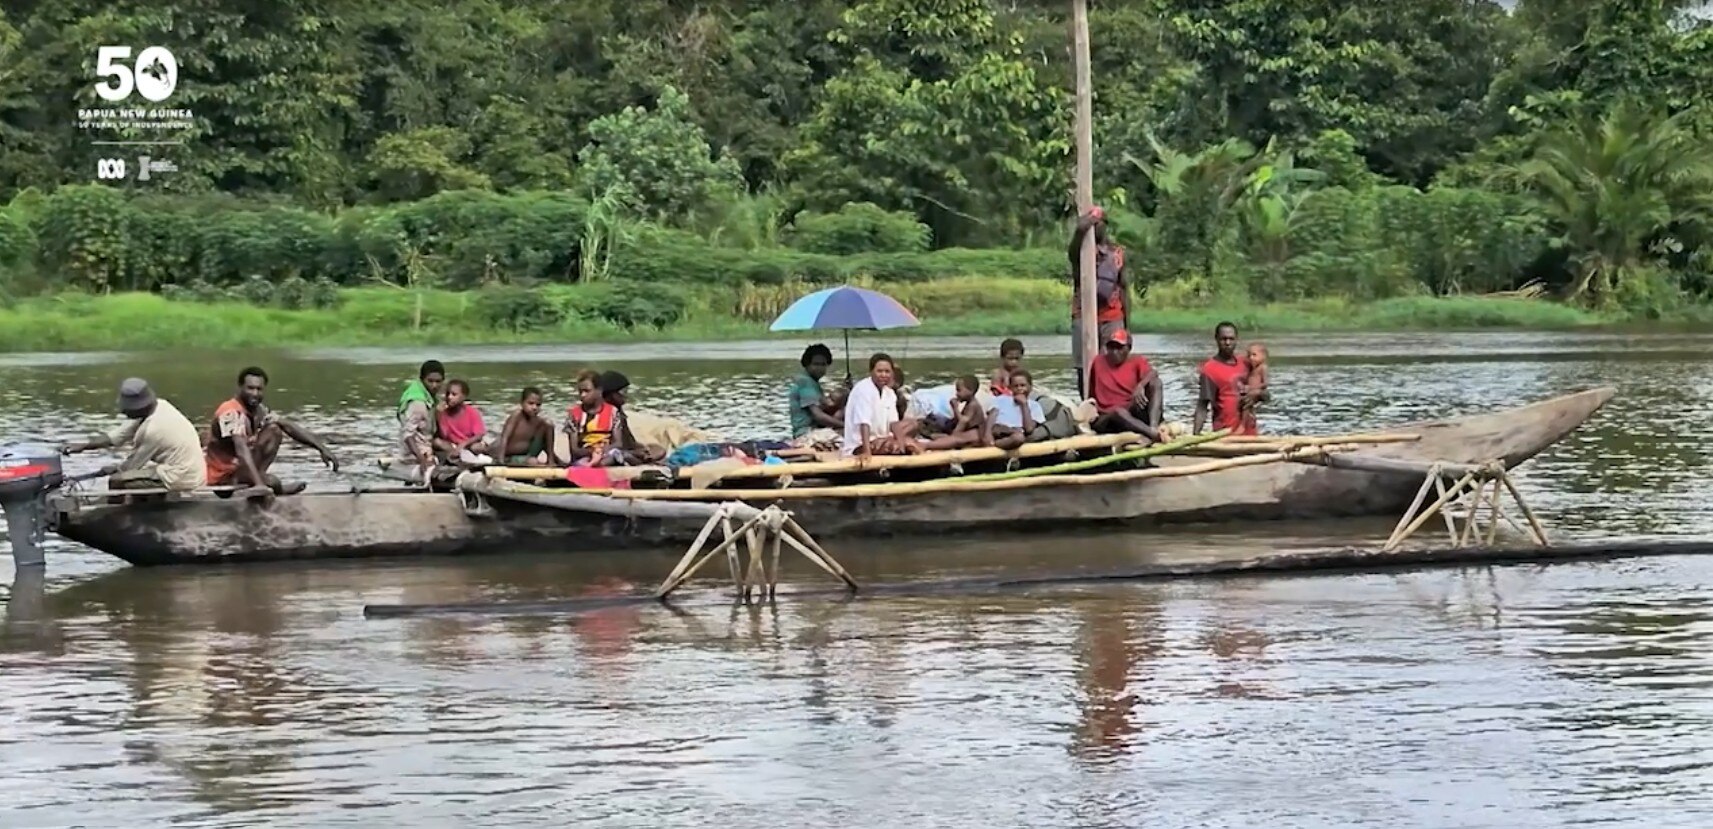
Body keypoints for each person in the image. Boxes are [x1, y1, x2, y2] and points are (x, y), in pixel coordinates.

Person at [204, 366, 339, 495]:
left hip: (241, 471)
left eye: (259, 389)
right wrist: (260, 486)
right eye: (250, 388)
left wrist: (321, 448)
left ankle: (259, 481)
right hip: (224, 479)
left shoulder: (259, 410)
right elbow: (241, 449)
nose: (255, 393)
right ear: (240, 388)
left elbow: (287, 426)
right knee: (273, 482)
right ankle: (260, 484)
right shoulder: (230, 412)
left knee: (274, 430)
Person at [60, 378, 206, 493]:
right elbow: (116, 436)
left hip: (182, 476)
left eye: (127, 410)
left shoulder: (154, 429)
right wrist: (83, 446)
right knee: (136, 474)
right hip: (178, 467)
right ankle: (140, 505)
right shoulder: (159, 405)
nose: (124, 413)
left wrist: (114, 469)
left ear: (138, 408)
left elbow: (131, 466)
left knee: (117, 480)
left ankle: (114, 515)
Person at [1069, 206, 1129, 394]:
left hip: (1112, 315)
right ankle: (1086, 401)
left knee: (1113, 361)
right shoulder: (1081, 251)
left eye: (1099, 223)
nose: (1095, 227)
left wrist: (1127, 325)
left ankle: (1110, 400)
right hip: (1083, 313)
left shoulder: (1117, 252)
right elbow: (1076, 243)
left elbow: (1124, 287)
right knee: (1083, 365)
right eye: (1093, 224)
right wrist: (1083, 226)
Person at [1087, 329, 1162, 441]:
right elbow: (1091, 394)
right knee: (1118, 412)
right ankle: (1152, 434)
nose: (1114, 352)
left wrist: (1140, 385)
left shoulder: (1136, 361)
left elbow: (1153, 373)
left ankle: (1153, 426)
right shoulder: (1098, 361)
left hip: (1130, 411)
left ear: (1128, 348)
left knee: (1156, 383)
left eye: (1119, 348)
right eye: (1111, 347)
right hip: (1108, 417)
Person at [1194, 322, 1262, 436]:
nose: (1227, 343)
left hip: (1250, 433)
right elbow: (1202, 405)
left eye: (1231, 339)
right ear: (1216, 339)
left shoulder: (1246, 363)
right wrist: (1195, 435)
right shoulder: (1210, 369)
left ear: (1236, 339)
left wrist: (1257, 394)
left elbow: (1265, 395)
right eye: (1223, 339)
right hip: (1226, 433)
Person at [842, 353, 904, 458]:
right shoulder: (863, 389)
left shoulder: (889, 393)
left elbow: (894, 423)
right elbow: (864, 423)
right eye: (879, 371)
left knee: (910, 442)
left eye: (887, 371)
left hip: (881, 440)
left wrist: (902, 444)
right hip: (860, 445)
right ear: (871, 372)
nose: (883, 375)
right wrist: (867, 452)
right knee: (891, 446)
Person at [789, 344, 844, 446]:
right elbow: (818, 416)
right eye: (816, 364)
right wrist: (845, 425)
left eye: (823, 364)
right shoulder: (805, 382)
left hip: (814, 430)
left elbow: (825, 407)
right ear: (807, 364)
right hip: (806, 433)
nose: (820, 368)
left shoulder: (812, 382)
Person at [399, 360, 444, 470]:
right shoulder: (418, 402)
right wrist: (422, 460)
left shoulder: (430, 398)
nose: (434, 385)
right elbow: (408, 435)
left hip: (427, 445)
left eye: (438, 382)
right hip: (417, 454)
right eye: (430, 381)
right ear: (422, 380)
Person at [497, 387, 557, 466]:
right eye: (530, 403)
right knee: (533, 462)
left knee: (548, 424)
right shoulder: (517, 416)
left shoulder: (538, 421)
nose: (534, 407)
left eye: (538, 405)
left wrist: (554, 458)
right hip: (510, 457)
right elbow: (504, 437)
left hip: (528, 454)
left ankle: (551, 461)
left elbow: (545, 444)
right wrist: (501, 460)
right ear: (522, 403)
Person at [988, 369, 1046, 450]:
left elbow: (1029, 429)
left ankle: (995, 445)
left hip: (1015, 435)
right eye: (1016, 386)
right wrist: (988, 436)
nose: (1019, 389)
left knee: (1018, 438)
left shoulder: (1034, 406)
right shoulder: (1000, 400)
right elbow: (991, 418)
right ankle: (991, 444)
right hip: (999, 431)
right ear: (1010, 388)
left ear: (1030, 387)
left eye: (1022, 385)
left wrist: (1024, 405)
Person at [435, 379, 491, 463]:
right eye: (448, 394)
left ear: (464, 396)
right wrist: (438, 415)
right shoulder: (443, 413)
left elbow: (479, 434)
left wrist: (463, 444)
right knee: (437, 442)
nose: (449, 397)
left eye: (454, 394)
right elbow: (443, 435)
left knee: (476, 447)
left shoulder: (472, 412)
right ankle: (458, 456)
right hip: (453, 445)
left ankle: (465, 456)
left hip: (469, 444)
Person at [1240, 342, 1270, 434]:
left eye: (1254, 355)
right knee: (1247, 405)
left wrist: (1255, 388)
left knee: (1246, 405)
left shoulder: (1263, 368)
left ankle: (1242, 426)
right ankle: (1251, 418)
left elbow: (1265, 383)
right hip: (1250, 391)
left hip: (1256, 391)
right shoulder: (1251, 368)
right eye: (1249, 355)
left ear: (1263, 356)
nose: (1251, 358)